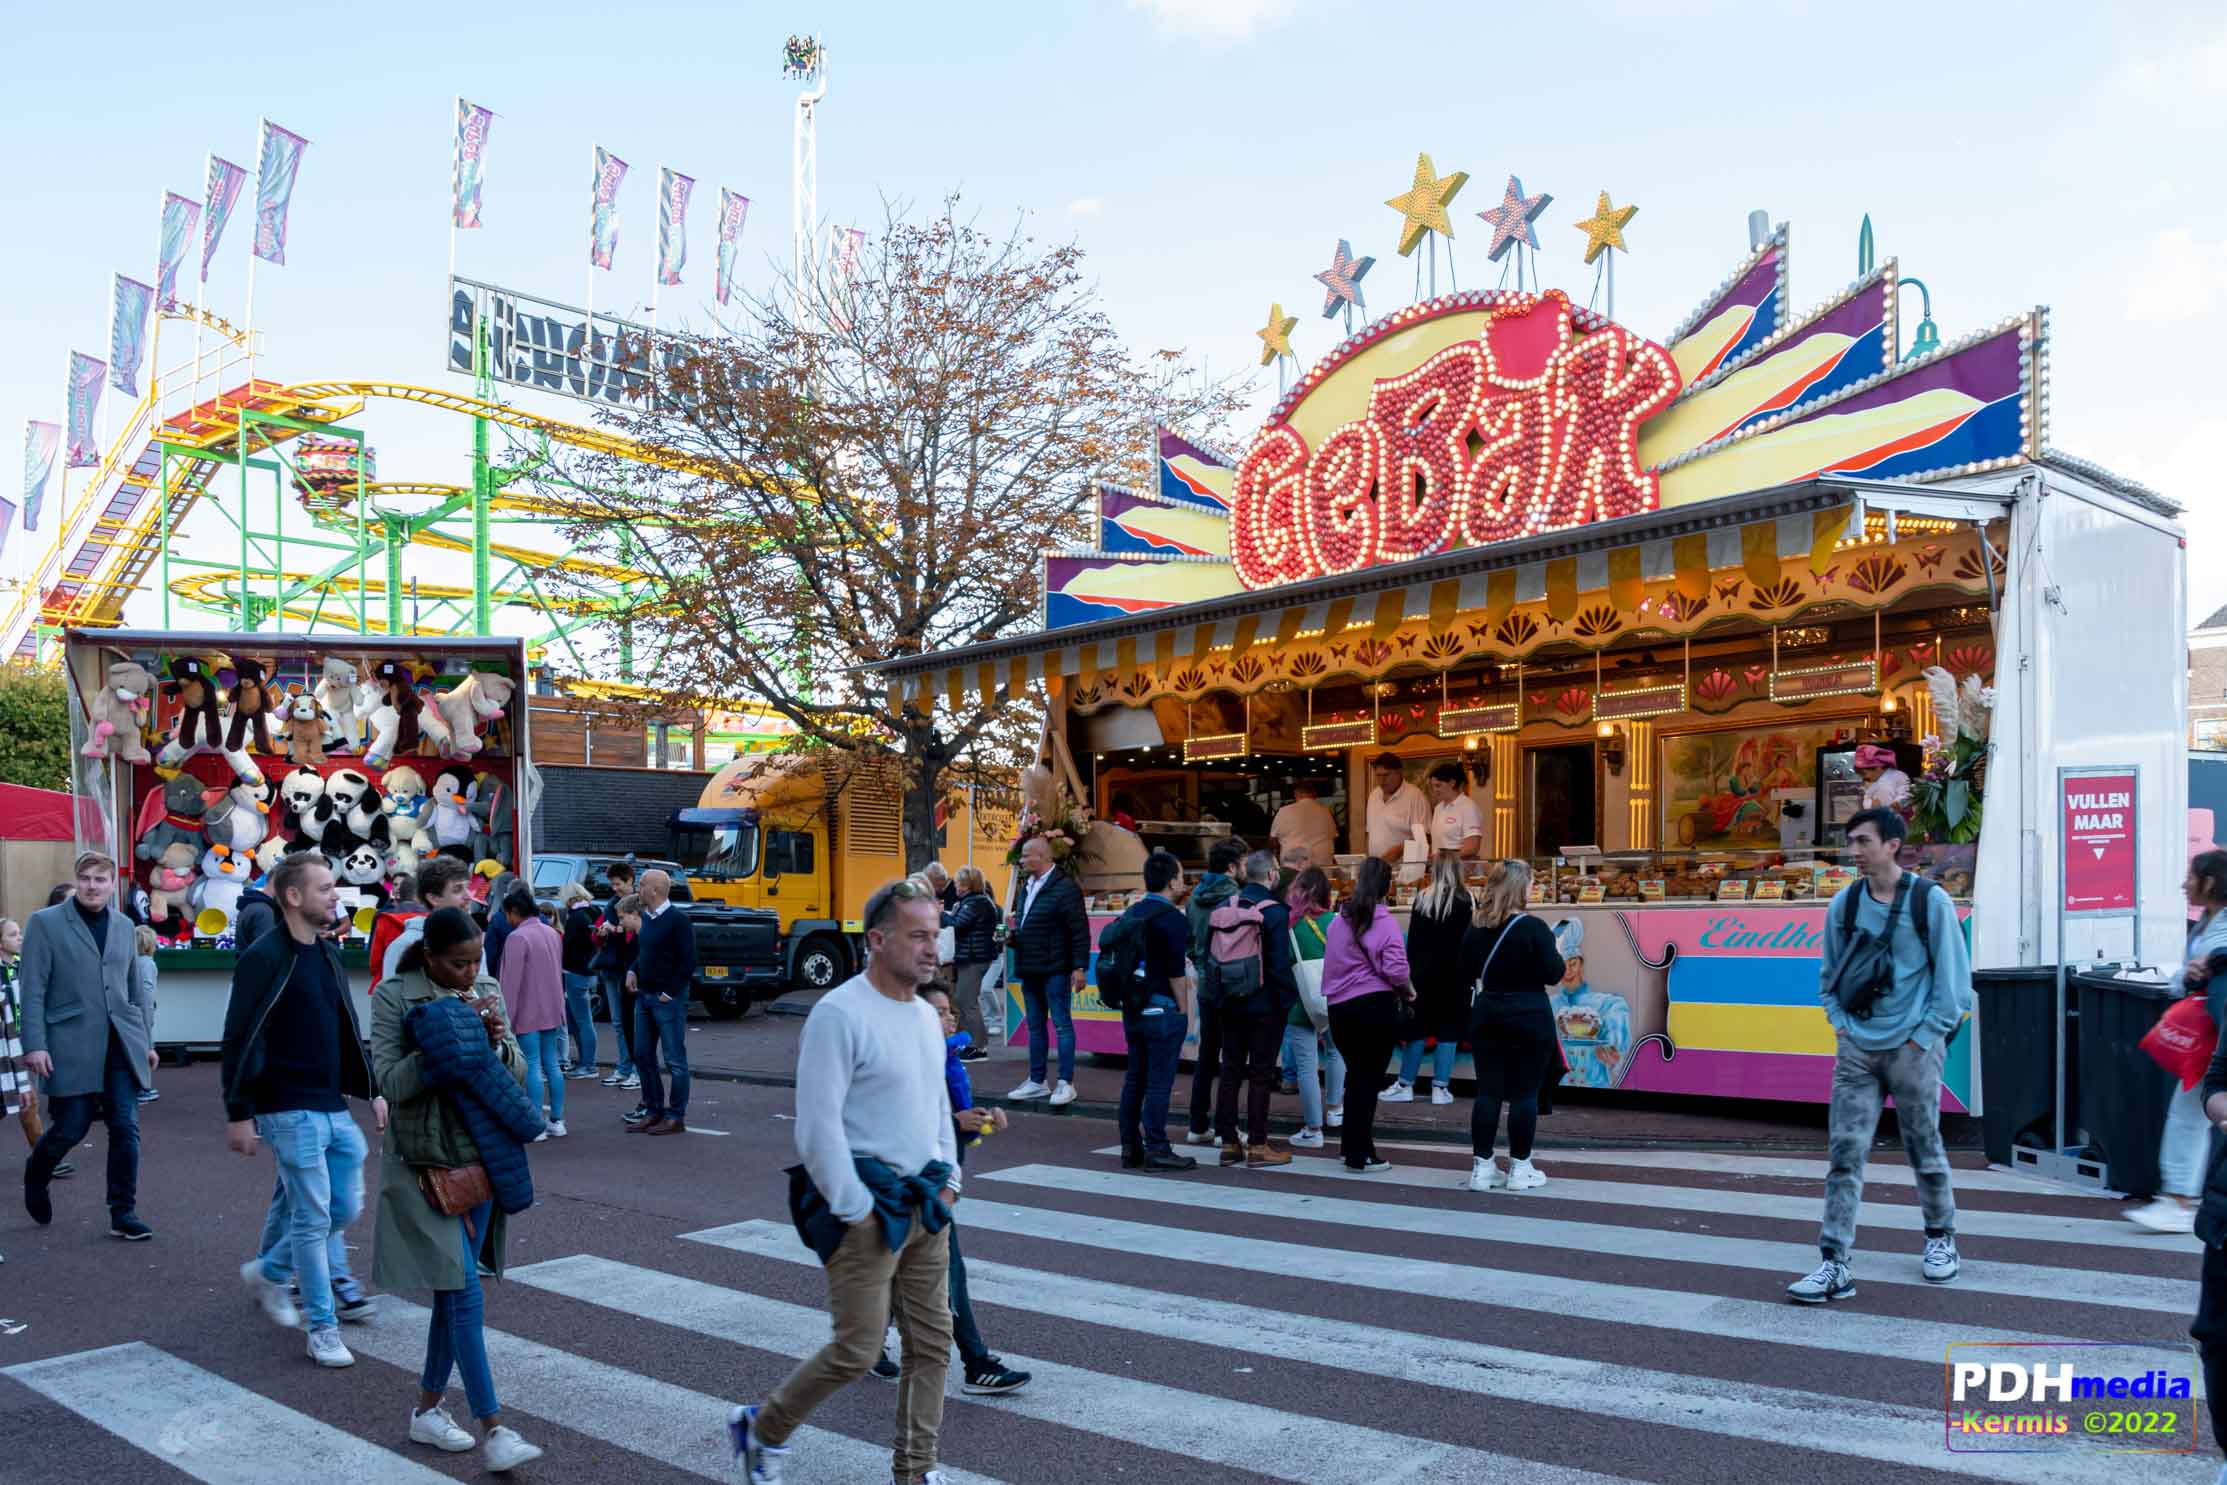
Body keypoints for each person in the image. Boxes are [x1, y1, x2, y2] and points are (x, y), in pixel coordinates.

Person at [729, 880, 963, 1485]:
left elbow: (936, 1104)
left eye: (934, 935)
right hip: (865, 1209)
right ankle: (763, 1430)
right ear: (878, 940)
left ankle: (916, 1472)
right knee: (858, 1351)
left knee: (932, 1345)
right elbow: (817, 1126)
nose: (931, 949)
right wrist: (855, 1207)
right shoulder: (838, 1013)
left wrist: (950, 1180)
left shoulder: (921, 1016)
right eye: (918, 936)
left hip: (925, 1203)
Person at [370, 906, 544, 1472]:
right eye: (459, 964)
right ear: (429, 958)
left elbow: (515, 1070)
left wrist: (491, 1044)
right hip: (424, 1165)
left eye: (475, 962)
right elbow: (390, 1081)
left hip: (482, 1158)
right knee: (463, 1291)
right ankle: (493, 1426)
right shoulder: (394, 996)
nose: (471, 973)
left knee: (454, 1294)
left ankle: (425, 1411)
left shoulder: (487, 987)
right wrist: (444, 1047)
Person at [1788, 806, 1971, 1304]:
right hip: (1857, 1051)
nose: (1855, 852)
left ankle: (1940, 1238)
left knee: (1925, 1148)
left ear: (1893, 844)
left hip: (1913, 1048)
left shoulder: (1929, 901)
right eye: (1852, 842)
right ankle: (1834, 1262)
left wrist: (1923, 1038)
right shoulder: (1843, 906)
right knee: (1844, 1155)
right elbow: (1828, 978)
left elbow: (1955, 986)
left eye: (1863, 841)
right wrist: (1843, 1028)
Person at [221, 853, 384, 1368]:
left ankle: (269, 1270)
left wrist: (372, 1088)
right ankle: (322, 1326)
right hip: (286, 1107)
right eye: (325, 888)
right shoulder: (265, 956)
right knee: (314, 1219)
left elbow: (344, 1025)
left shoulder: (327, 954)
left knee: (342, 1211)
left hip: (332, 1104)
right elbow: (240, 1034)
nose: (336, 895)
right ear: (293, 897)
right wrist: (240, 1110)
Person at [20, 852, 157, 1239]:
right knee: (70, 1129)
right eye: (86, 879)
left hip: (121, 1043)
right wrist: (35, 1045)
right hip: (70, 1041)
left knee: (126, 1127)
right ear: (77, 881)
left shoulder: (124, 924)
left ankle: (123, 1212)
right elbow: (33, 989)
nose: (93, 886)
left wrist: (145, 1041)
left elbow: (134, 991)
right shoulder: (44, 924)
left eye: (101, 879)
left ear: (113, 884)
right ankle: (37, 1173)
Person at [911, 984, 1031, 1393]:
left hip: (935, 1186)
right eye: (939, 1013)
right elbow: (907, 1129)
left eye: (950, 1014)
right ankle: (976, 1363)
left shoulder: (946, 1064)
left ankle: (867, 1346)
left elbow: (952, 1125)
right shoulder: (907, 1067)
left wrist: (981, 1120)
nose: (949, 1021)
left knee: (899, 1273)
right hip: (915, 1188)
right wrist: (955, 1122)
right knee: (951, 1274)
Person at [2129, 852, 2227, 1233]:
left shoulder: (2218, 927)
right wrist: (2188, 974)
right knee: (2191, 1114)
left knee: (2187, 1116)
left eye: (2191, 876)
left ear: (2211, 882)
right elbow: (2185, 978)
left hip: (2216, 1035)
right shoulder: (2207, 922)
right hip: (2214, 1033)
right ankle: (2178, 1199)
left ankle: (2178, 1200)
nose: (2184, 883)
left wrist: (2202, 966)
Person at [1457, 860, 1567, 1193]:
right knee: (1525, 1093)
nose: (1534, 888)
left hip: (1489, 1012)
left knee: (1488, 1092)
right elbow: (1554, 973)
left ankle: (1482, 1167)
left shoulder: (1476, 926)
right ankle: (1520, 1167)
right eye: (1532, 882)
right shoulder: (1534, 928)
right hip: (1529, 1013)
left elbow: (1464, 970)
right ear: (1521, 888)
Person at [1111, 851, 1201, 1173]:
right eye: (1180, 876)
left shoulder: (1132, 913)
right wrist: (1183, 1010)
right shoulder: (1174, 920)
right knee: (1159, 1083)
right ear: (1172, 881)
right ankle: (1158, 1147)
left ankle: (1129, 1145)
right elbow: (1177, 972)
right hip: (1162, 1009)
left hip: (1133, 1010)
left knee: (1135, 1077)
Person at [1320, 856, 1410, 1173]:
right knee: (1367, 1081)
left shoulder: (1337, 920)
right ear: (1387, 887)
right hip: (1373, 1005)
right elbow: (1397, 969)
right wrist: (1407, 989)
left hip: (1339, 1007)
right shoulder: (1384, 922)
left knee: (1356, 1077)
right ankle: (1361, 1153)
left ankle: (1350, 1147)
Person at [1209, 851, 1297, 1169]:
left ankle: (1229, 1143)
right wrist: (1288, 1000)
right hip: (1264, 1004)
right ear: (1272, 875)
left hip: (1229, 1002)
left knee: (1230, 1069)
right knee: (1261, 1073)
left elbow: (1210, 958)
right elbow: (1278, 966)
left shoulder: (1224, 908)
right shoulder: (1275, 913)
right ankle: (1258, 1144)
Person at [1005, 834, 1089, 1108]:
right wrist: (1013, 938)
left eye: (1027, 854)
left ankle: (1065, 1082)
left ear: (1044, 857)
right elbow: (1029, 924)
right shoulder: (1027, 887)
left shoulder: (1065, 888)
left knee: (1062, 1024)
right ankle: (1037, 1080)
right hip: (1031, 965)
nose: (1023, 859)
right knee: (1036, 1026)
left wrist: (1079, 967)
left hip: (1055, 967)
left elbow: (1079, 930)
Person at [1390, 857, 1473, 1106]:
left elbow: (1413, 943)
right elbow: (1468, 940)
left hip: (1423, 975)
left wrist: (1409, 978)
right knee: (1449, 1031)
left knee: (1417, 1030)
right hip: (1455, 976)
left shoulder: (1423, 898)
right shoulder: (1466, 899)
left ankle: (1405, 1084)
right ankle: (1441, 1088)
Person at [1182, 840, 1245, 1145]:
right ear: (1232, 867)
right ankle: (1225, 1127)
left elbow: (1190, 940)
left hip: (1205, 981)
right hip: (1230, 981)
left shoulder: (1193, 897)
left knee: (1207, 1054)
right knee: (1231, 1055)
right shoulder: (1234, 897)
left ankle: (1197, 1124)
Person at [627, 868, 696, 1135]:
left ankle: (675, 1116)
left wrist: (670, 992)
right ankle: (653, 1110)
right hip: (644, 996)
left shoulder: (678, 920)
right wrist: (634, 969)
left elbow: (688, 960)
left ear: (654, 890)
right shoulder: (648, 918)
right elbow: (647, 951)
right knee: (643, 1056)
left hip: (666, 999)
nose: (638, 888)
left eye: (641, 884)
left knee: (674, 1060)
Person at [496, 887, 568, 1140]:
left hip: (527, 1010)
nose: (506, 919)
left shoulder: (517, 938)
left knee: (533, 1065)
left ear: (514, 912)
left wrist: (504, 1018)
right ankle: (556, 1120)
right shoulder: (552, 933)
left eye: (507, 914)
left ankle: (535, 1123)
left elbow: (510, 984)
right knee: (552, 1064)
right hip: (552, 1007)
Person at [1281, 867, 1346, 1148]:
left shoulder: (1290, 925)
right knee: (1336, 1052)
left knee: (1306, 1066)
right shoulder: (1337, 922)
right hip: (1333, 998)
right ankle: (1334, 1110)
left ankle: (1313, 1128)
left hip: (1300, 1002)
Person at [376, 857, 473, 988]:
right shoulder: (403, 945)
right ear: (433, 898)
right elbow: (389, 1002)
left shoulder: (473, 941)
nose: (468, 896)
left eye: (468, 888)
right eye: (457, 889)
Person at [942, 867, 1003, 1060]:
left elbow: (958, 924)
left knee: (967, 1001)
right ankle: (973, 1043)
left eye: (959, 883)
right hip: (973, 956)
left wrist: (940, 913)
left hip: (974, 958)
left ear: (968, 885)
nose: (956, 886)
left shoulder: (975, 903)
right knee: (964, 999)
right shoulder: (976, 901)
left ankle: (978, 1047)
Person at [597, 862, 641, 1090]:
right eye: (612, 884)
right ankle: (624, 1066)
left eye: (618, 884)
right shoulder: (611, 905)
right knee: (618, 1022)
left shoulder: (638, 905)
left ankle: (635, 1068)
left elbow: (639, 936)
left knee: (632, 1022)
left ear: (630, 881)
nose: (614, 888)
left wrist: (617, 931)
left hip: (630, 969)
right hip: (612, 968)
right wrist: (602, 931)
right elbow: (599, 931)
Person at [558, 882, 604, 1082]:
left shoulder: (576, 918)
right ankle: (586, 1061)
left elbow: (570, 947)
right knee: (580, 1019)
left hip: (576, 972)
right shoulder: (591, 913)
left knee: (582, 1020)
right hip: (587, 970)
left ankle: (588, 1064)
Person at [1364, 753, 1430, 868]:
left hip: (1404, 868)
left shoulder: (1415, 796)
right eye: (1378, 776)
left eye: (1386, 775)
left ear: (1399, 772)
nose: (1382, 780)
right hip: (1376, 868)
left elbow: (1423, 836)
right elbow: (1370, 833)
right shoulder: (1373, 795)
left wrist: (1399, 849)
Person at [1270, 779, 1339, 873]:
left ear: (1296, 794)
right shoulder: (1325, 811)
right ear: (1314, 794)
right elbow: (1334, 836)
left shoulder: (1284, 811)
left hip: (1294, 863)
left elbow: (1273, 840)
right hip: (1322, 864)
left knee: (1294, 887)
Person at [1426, 760, 1485, 861]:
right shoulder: (1438, 808)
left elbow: (1472, 847)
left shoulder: (1468, 807)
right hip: (1440, 870)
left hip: (1461, 871)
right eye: (1433, 786)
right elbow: (1440, 843)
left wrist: (1443, 858)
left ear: (1452, 783)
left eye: (1438, 785)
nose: (1435, 790)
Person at [133, 925, 162, 1103]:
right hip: (142, 1012)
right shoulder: (147, 964)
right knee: (143, 1049)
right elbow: (146, 995)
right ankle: (142, 1087)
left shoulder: (132, 962)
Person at [1853, 743, 1911, 812]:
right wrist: (1870, 804)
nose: (1864, 777)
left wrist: (1898, 803)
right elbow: (1866, 798)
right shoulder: (1869, 782)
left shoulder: (1900, 776)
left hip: (1897, 817)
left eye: (1864, 774)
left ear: (1878, 768)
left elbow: (1905, 794)